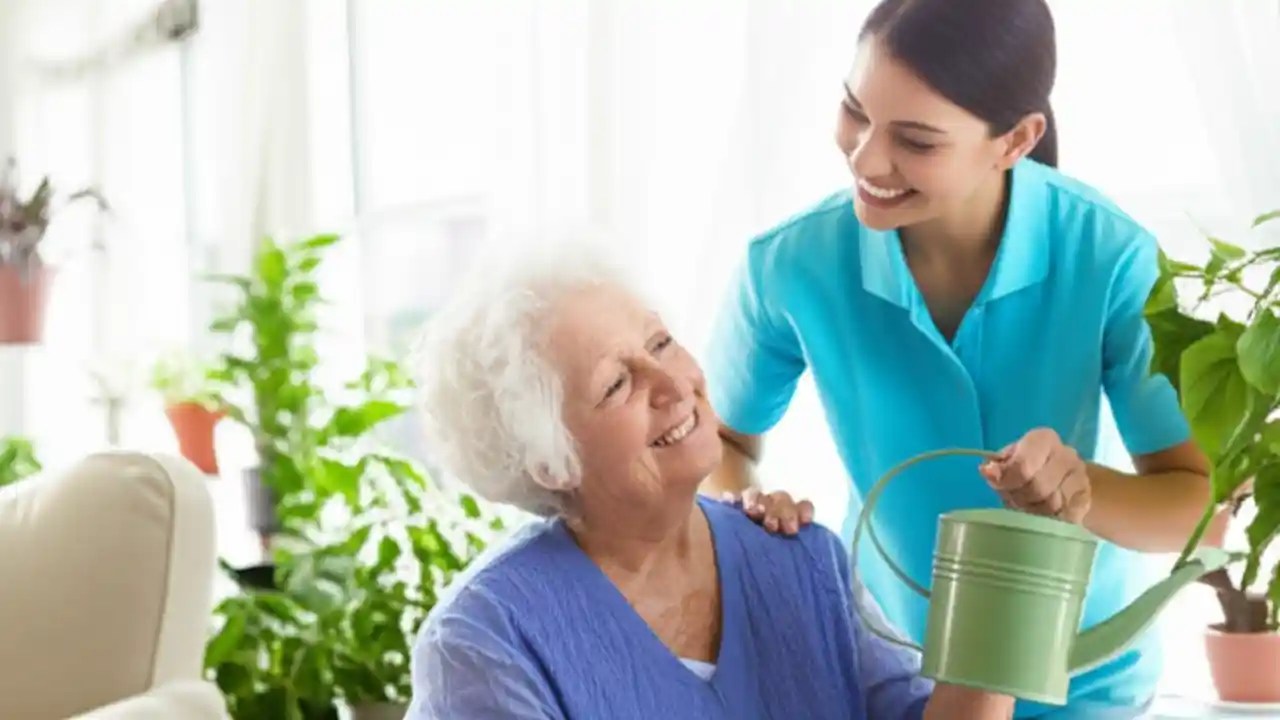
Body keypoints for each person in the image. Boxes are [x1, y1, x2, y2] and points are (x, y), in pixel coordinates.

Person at [701, 0, 1211, 718]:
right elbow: (723, 439)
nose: (865, 157)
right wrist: (743, 502)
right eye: (855, 110)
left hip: (1080, 678)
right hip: (887, 671)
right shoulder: (790, 264)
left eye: (915, 140)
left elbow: (1197, 503)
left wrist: (1082, 487)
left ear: (1016, 140)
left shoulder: (1111, 257)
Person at [405, 244, 1018, 719]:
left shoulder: (805, 560)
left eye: (661, 343)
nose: (673, 385)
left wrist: (1024, 546)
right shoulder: (484, 638)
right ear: (551, 461)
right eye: (617, 384)